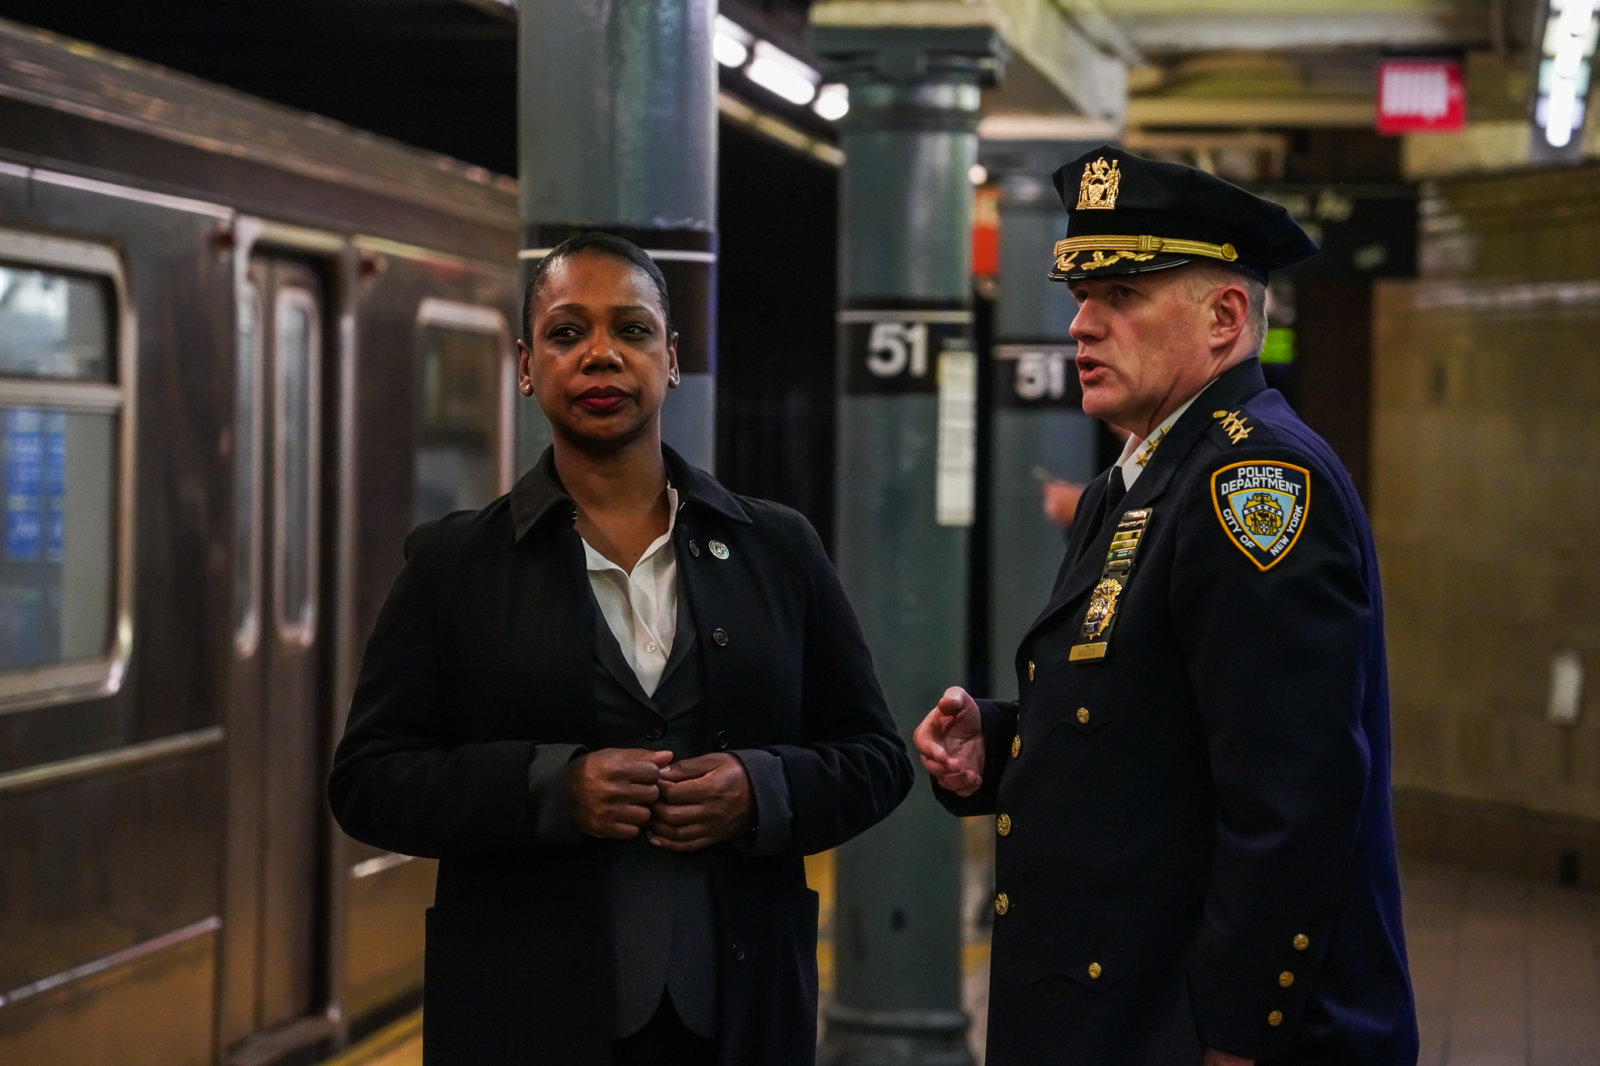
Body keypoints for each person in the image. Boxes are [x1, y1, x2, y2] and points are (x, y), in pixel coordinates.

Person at [329, 232, 913, 1066]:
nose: (600, 354)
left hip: (739, 1015)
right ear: (526, 367)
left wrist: (762, 789)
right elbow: (369, 781)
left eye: (632, 330)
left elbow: (876, 758)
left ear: (671, 360)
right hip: (524, 1020)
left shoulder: (778, 551)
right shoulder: (454, 567)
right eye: (567, 333)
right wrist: (553, 788)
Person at [914, 146, 1418, 1066]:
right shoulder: (1143, 476)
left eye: (1123, 294)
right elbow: (1156, 724)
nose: (1081, 324)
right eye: (1081, 295)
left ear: (1225, 318)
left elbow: (1291, 799)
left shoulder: (1250, 481)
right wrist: (1004, 741)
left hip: (1185, 1030)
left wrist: (1236, 1035)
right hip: (1117, 1012)